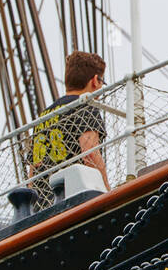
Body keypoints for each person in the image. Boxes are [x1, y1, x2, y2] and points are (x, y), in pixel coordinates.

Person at [29, 51, 110, 203]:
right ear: (95, 81)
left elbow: (34, 169)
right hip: (76, 196)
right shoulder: (85, 106)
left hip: (45, 204)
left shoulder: (43, 116)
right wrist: (106, 192)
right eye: (102, 82)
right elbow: (90, 152)